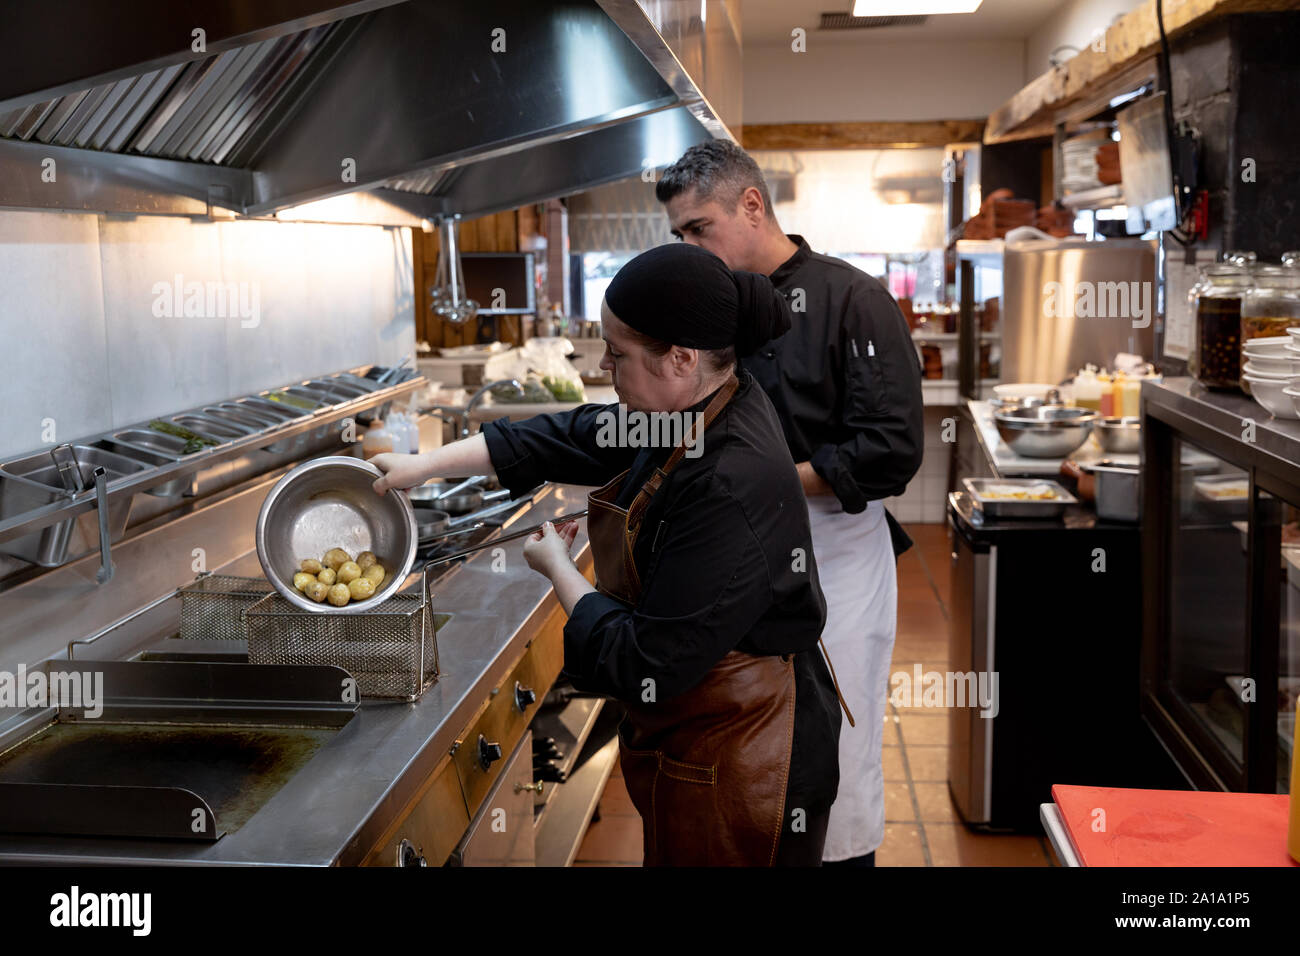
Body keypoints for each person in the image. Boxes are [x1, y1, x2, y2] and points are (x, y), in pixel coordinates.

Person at [371, 242, 846, 866]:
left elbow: (644, 660)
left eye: (617, 354)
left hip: (750, 748)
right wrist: (423, 465)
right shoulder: (696, 406)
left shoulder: (729, 478)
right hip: (708, 724)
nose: (602, 366)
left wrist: (560, 572)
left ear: (680, 358)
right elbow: (574, 434)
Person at [655, 140, 925, 866]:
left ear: (752, 206)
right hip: (736, 554)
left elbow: (893, 450)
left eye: (698, 229)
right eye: (678, 235)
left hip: (836, 557)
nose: (690, 248)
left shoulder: (853, 300)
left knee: (834, 742)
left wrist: (769, 478)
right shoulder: (715, 315)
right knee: (753, 746)